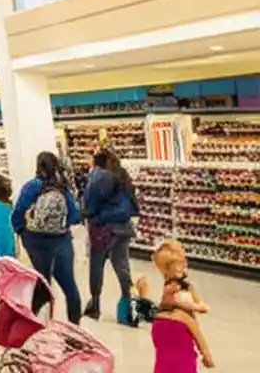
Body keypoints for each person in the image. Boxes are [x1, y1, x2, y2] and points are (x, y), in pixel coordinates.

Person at [12, 151, 83, 324]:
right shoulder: (63, 188)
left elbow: (17, 215)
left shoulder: (31, 187)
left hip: (36, 243)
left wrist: (24, 234)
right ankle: (75, 331)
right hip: (61, 242)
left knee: (43, 286)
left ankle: (31, 327)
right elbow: (75, 217)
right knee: (70, 288)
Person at [82, 149, 139, 323]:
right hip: (123, 228)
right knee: (123, 268)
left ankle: (95, 305)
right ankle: (129, 306)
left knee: (97, 267)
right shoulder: (122, 175)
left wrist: (88, 215)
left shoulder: (99, 176)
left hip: (102, 229)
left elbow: (89, 205)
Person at [145, 239, 214, 370]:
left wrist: (198, 307)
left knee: (167, 364)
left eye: (182, 264)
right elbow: (179, 305)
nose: (181, 268)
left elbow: (196, 306)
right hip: (177, 328)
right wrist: (196, 307)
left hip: (163, 327)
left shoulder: (186, 287)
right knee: (181, 363)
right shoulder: (171, 288)